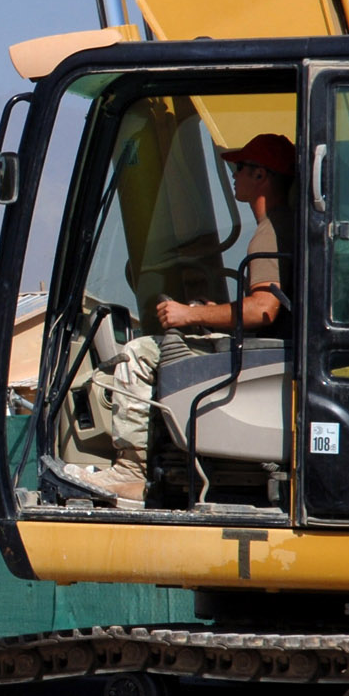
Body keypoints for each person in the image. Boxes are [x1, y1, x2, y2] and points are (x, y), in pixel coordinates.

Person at [80, 132, 295, 508]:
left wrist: (189, 313)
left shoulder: (269, 232)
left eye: (241, 168)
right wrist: (211, 313)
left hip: (265, 358)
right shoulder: (287, 225)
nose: (233, 176)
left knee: (138, 353)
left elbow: (263, 309)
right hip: (271, 351)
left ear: (261, 176)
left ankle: (131, 474)